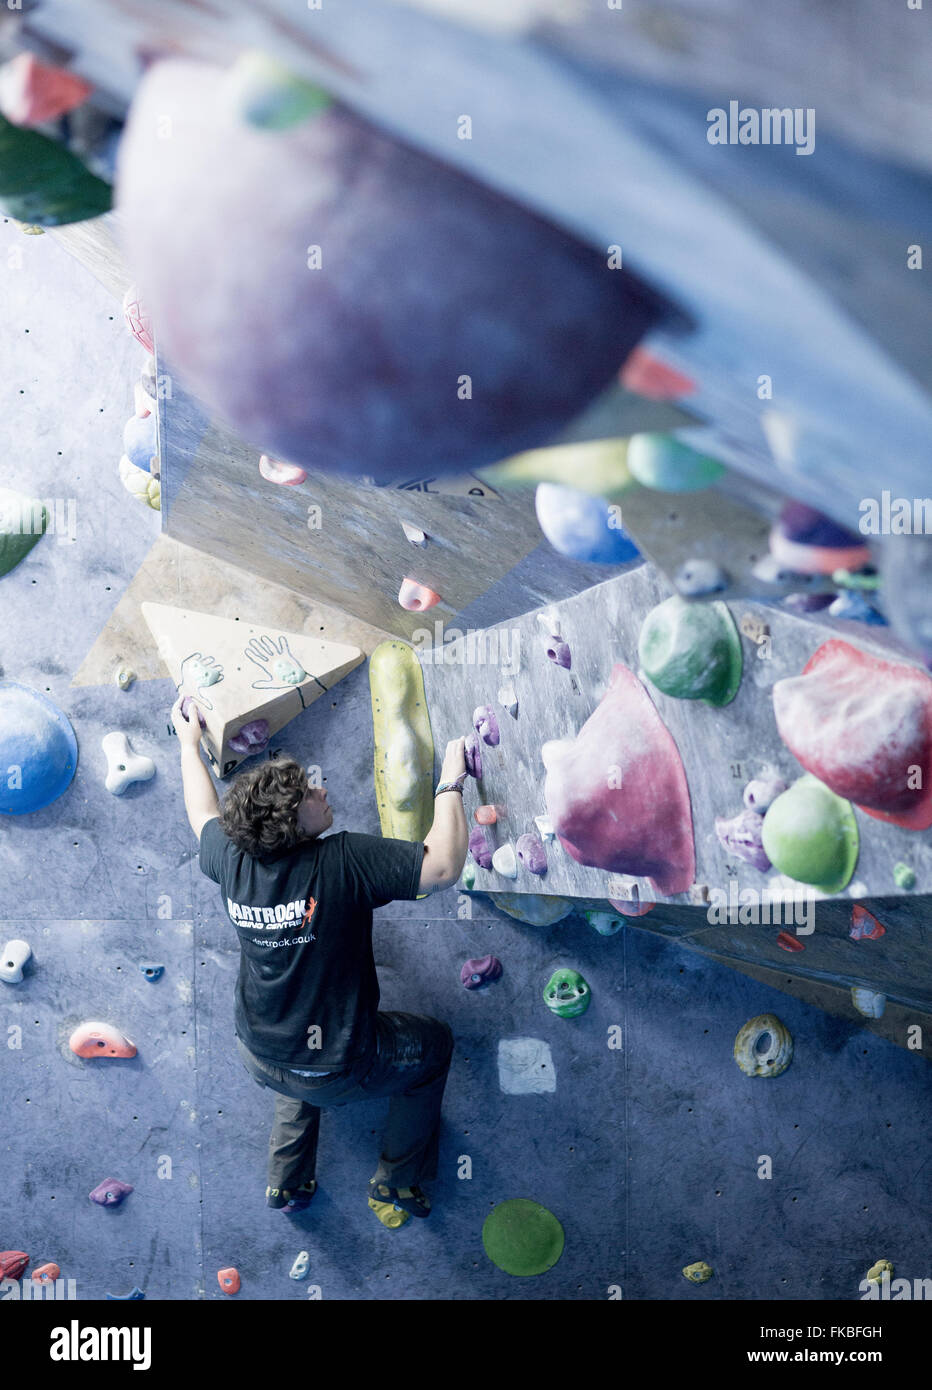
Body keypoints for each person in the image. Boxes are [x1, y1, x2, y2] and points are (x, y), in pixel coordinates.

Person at [171, 694, 468, 1226]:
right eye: (310, 791)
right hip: (339, 1064)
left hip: (259, 1052)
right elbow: (442, 868)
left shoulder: (230, 855)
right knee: (433, 1046)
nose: (322, 788)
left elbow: (201, 811)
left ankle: (287, 1184)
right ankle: (400, 1179)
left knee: (299, 1066)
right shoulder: (343, 861)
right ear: (291, 821)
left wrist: (188, 744)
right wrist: (449, 783)